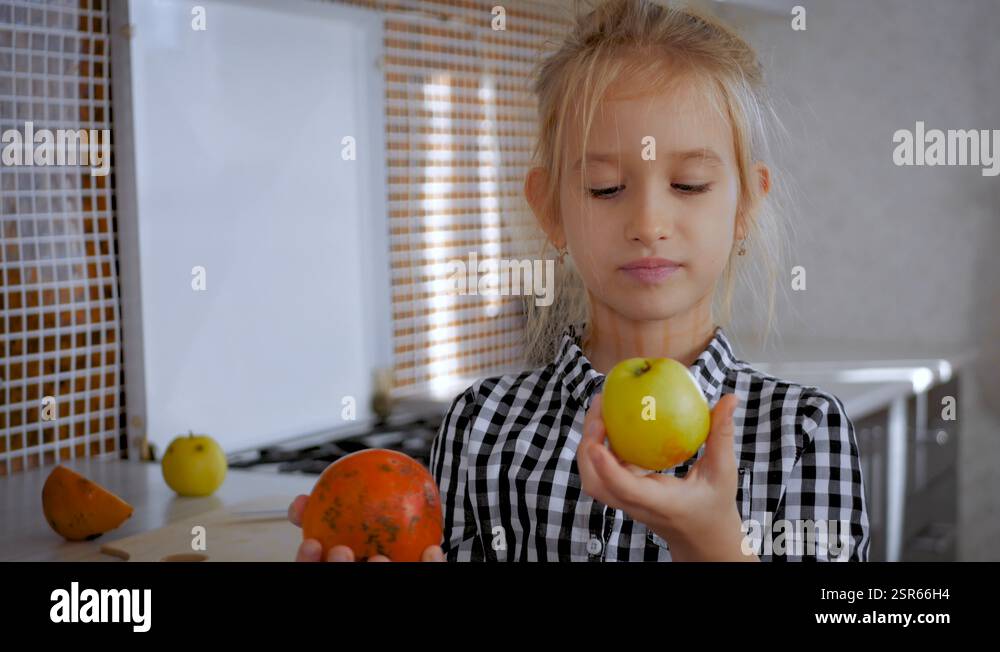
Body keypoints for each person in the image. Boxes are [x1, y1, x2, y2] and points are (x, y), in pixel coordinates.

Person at [289, 0, 870, 562]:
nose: (648, 225)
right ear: (551, 210)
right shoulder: (481, 427)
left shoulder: (802, 431)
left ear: (745, 204)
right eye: (604, 188)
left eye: (689, 184)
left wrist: (712, 545)